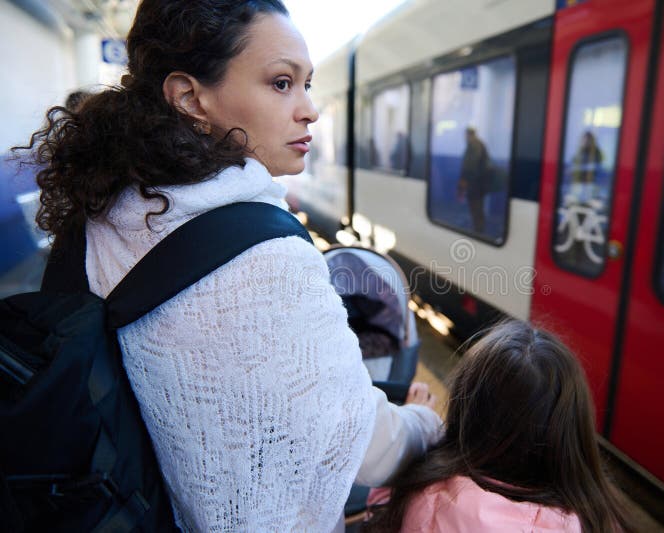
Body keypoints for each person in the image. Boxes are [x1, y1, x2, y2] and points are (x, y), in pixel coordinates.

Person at [15, 1, 442, 531]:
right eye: (282, 83)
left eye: (307, 85)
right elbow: (361, 446)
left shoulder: (103, 208)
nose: (308, 109)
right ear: (191, 97)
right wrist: (426, 423)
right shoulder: (266, 256)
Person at [364, 320, 633, 532]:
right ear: (572, 429)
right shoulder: (596, 517)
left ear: (467, 414)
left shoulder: (428, 499)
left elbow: (380, 512)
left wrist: (419, 429)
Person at [457, 127, 489, 233]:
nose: (464, 137)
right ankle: (478, 228)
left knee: (476, 208)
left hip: (475, 183)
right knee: (476, 207)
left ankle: (478, 231)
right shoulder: (478, 144)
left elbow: (470, 165)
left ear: (468, 134)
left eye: (465, 135)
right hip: (478, 182)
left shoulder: (474, 145)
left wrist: (463, 182)